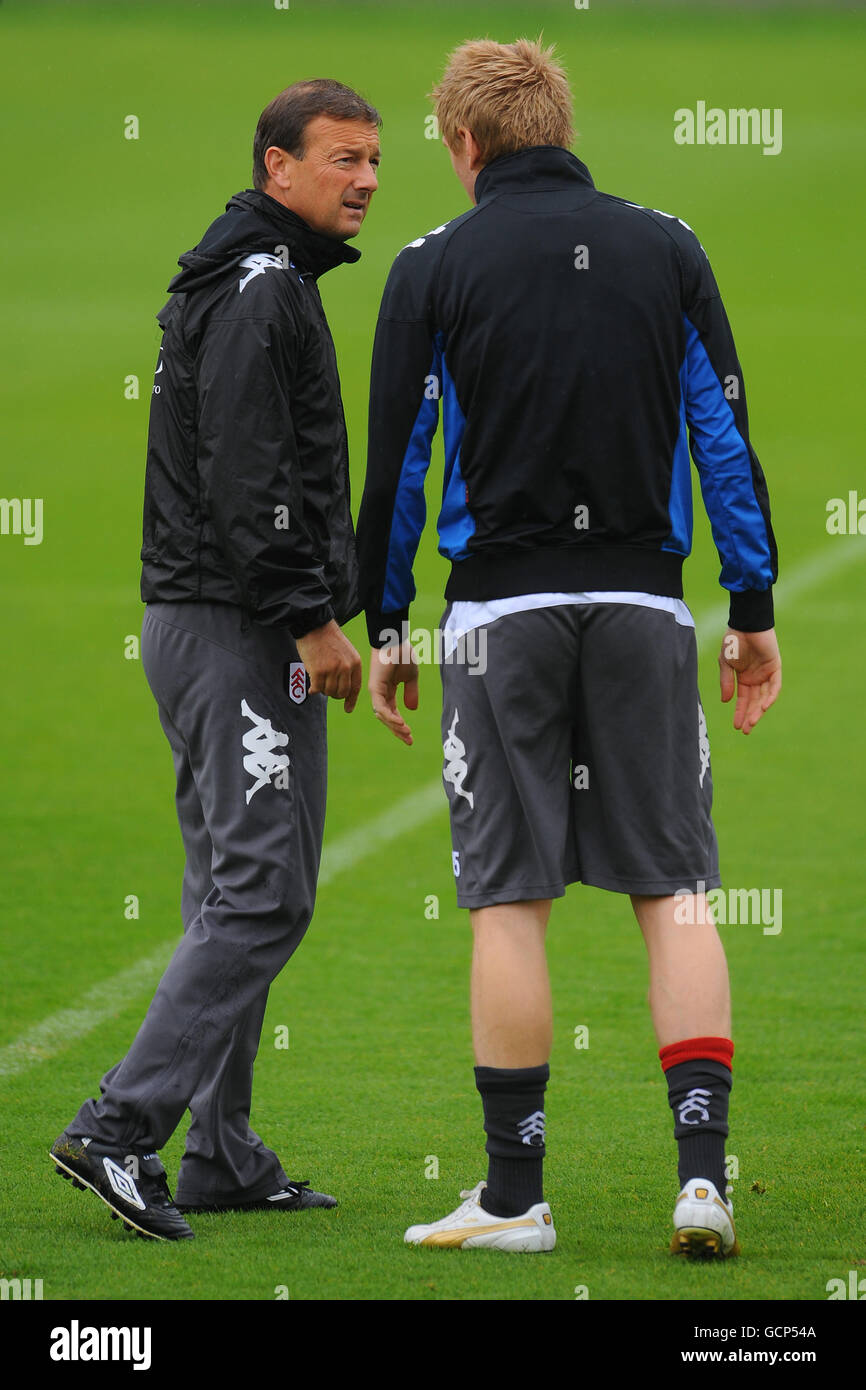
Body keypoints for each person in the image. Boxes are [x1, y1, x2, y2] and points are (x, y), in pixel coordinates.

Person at [356, 38, 781, 1257]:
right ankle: (700, 1180)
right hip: (647, 610)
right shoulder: (665, 243)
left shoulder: (432, 265)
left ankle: (511, 1198)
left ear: (464, 142)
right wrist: (747, 608)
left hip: (497, 623)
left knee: (506, 902)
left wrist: (385, 624)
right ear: (558, 122)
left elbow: (398, 469)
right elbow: (721, 431)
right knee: (674, 890)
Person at [49, 80, 380, 1240]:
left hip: (205, 623)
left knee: (226, 889)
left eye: (375, 160)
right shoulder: (259, 291)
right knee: (263, 893)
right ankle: (117, 1130)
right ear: (276, 165)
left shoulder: (253, 275)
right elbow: (252, 478)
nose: (367, 179)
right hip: (238, 628)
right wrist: (310, 620)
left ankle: (224, 1154)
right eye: (342, 158)